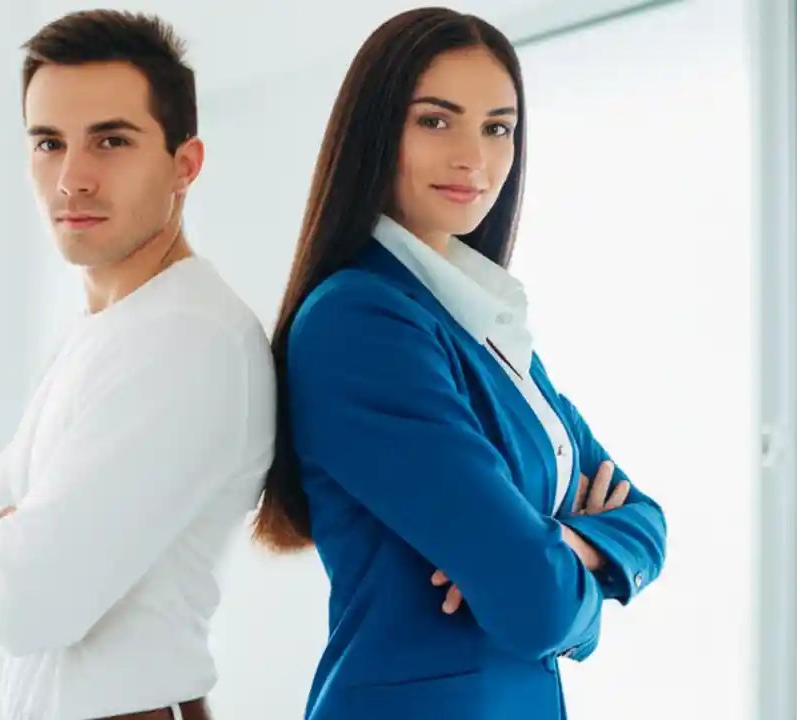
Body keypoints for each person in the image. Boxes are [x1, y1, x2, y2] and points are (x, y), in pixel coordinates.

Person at [252, 8, 667, 719]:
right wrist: (577, 573)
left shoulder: (483, 322)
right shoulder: (360, 321)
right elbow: (535, 606)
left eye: (497, 127)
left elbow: (645, 517)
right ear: (376, 130)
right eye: (436, 121)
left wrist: (565, 544)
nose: (474, 157)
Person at [0, 11, 274, 720]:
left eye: (110, 141)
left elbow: (21, 609)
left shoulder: (185, 339)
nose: (71, 178)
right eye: (49, 143)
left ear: (185, 164)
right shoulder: (112, 331)